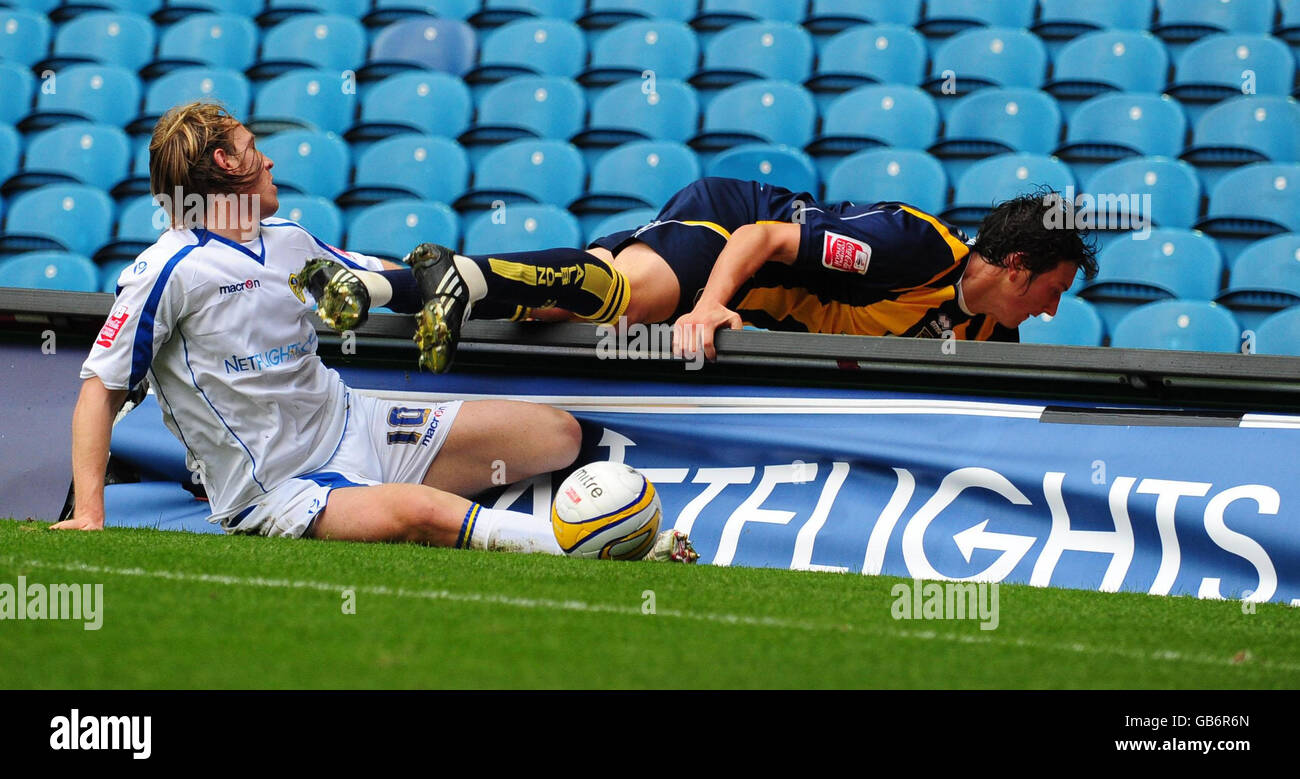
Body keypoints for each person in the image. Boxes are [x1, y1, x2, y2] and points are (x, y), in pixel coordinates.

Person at [50, 101, 698, 563]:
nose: (270, 158)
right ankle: (609, 548)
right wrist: (89, 513)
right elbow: (98, 389)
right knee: (419, 514)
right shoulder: (165, 269)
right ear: (224, 161)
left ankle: (553, 519)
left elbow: (394, 279)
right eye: (253, 146)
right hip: (280, 491)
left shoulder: (288, 241)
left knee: (556, 433)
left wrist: (507, 290)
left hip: (358, 422)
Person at [304, 177, 1097, 371]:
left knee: (553, 311)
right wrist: (712, 307)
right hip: (726, 229)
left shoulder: (991, 332)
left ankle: (374, 280)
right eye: (1056, 289)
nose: (1055, 311)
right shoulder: (914, 247)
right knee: (643, 299)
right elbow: (761, 238)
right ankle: (455, 281)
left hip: (722, 269)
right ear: (1019, 265)